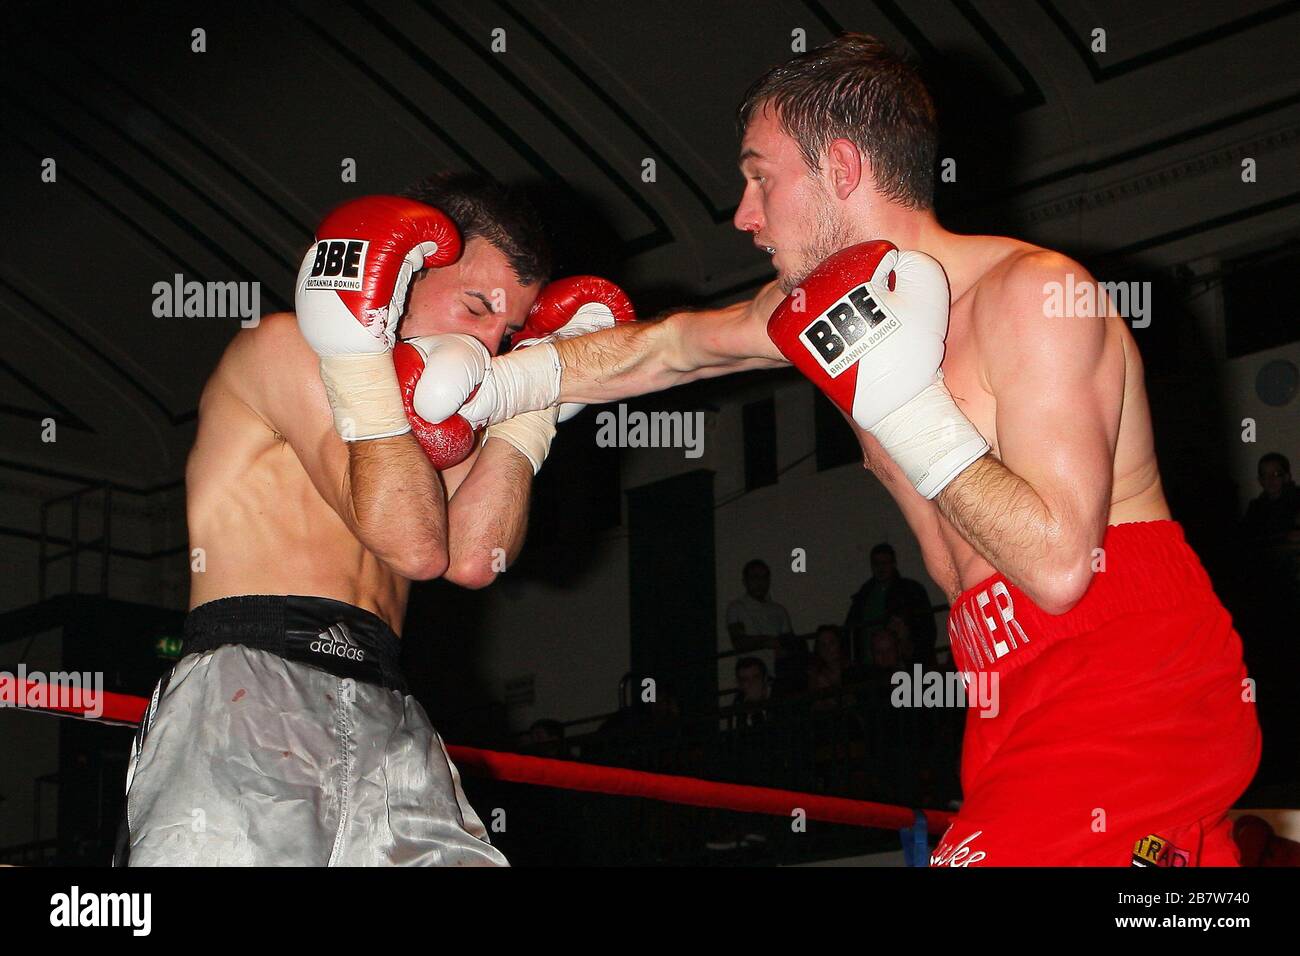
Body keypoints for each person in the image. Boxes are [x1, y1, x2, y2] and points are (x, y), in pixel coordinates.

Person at [430, 35, 1262, 866]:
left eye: (761, 177)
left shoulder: (1035, 297)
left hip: (1125, 667)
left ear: (842, 167)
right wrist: (497, 381)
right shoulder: (820, 317)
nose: (743, 213)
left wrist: (907, 406)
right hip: (999, 681)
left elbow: (1055, 565)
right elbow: (675, 347)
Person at [116, 174, 627, 866]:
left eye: (509, 331)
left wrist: (532, 409)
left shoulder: (434, 415)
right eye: (476, 307)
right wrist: (372, 361)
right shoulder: (284, 347)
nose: (489, 342)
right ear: (406, 268)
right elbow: (413, 546)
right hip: (249, 686)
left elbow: (477, 558)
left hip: (387, 704)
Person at [844, 543, 935, 667]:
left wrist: (913, 650)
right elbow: (851, 626)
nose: (881, 568)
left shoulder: (911, 591)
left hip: (903, 662)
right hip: (869, 664)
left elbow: (927, 627)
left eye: (885, 563)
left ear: (893, 564)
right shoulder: (864, 594)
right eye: (877, 564)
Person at [724, 559, 794, 677]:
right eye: (755, 578)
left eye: (764, 578)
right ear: (745, 581)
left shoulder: (779, 610)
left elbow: (790, 641)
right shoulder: (736, 607)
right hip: (752, 677)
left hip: (778, 675)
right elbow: (739, 642)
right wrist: (767, 641)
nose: (760, 582)